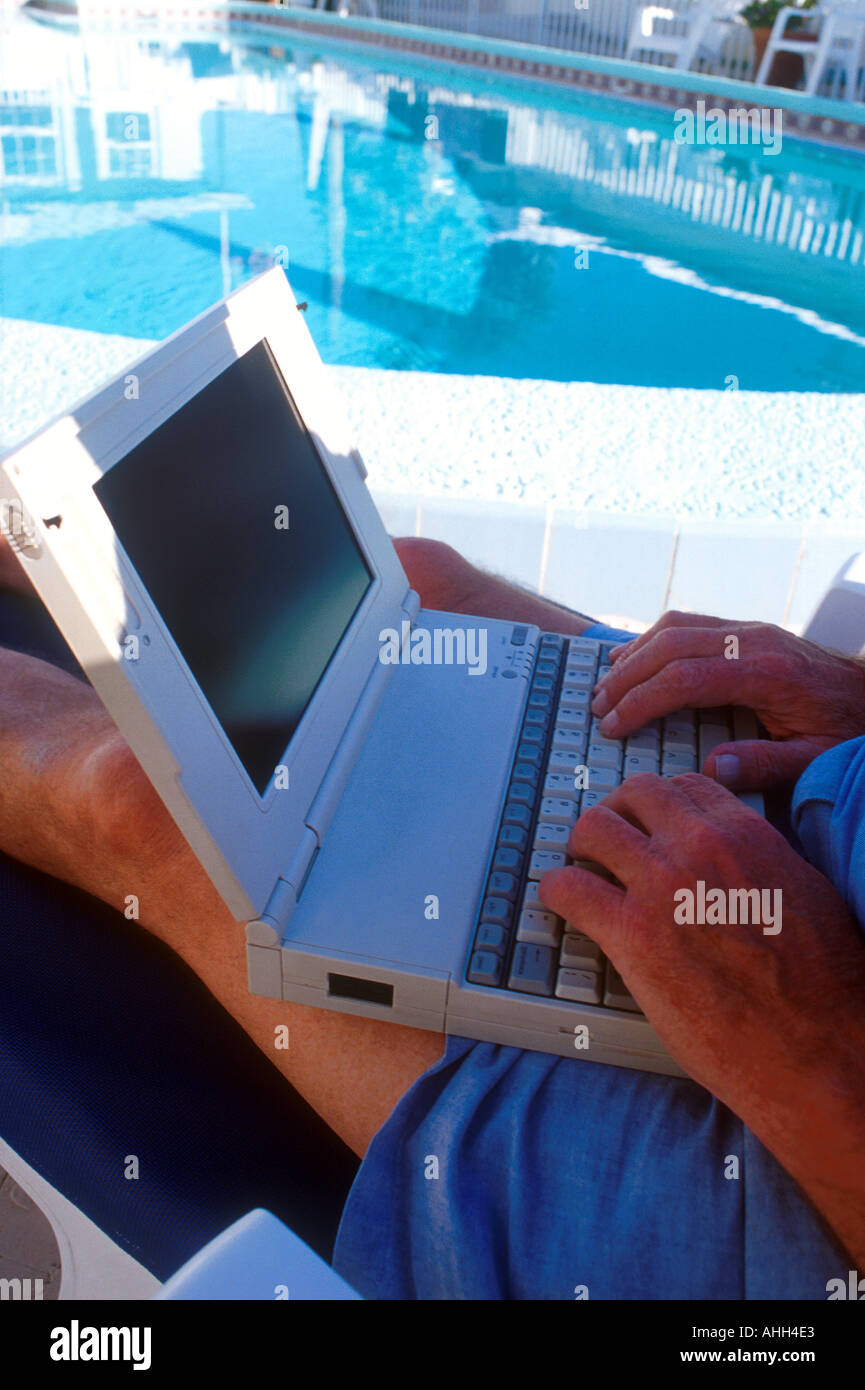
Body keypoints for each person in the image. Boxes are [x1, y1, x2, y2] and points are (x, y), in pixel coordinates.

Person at [0, 531, 864, 1299]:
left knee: (153, 807)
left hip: (805, 1162)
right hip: (839, 787)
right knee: (415, 583)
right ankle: (46, 543)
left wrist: (814, 1047)